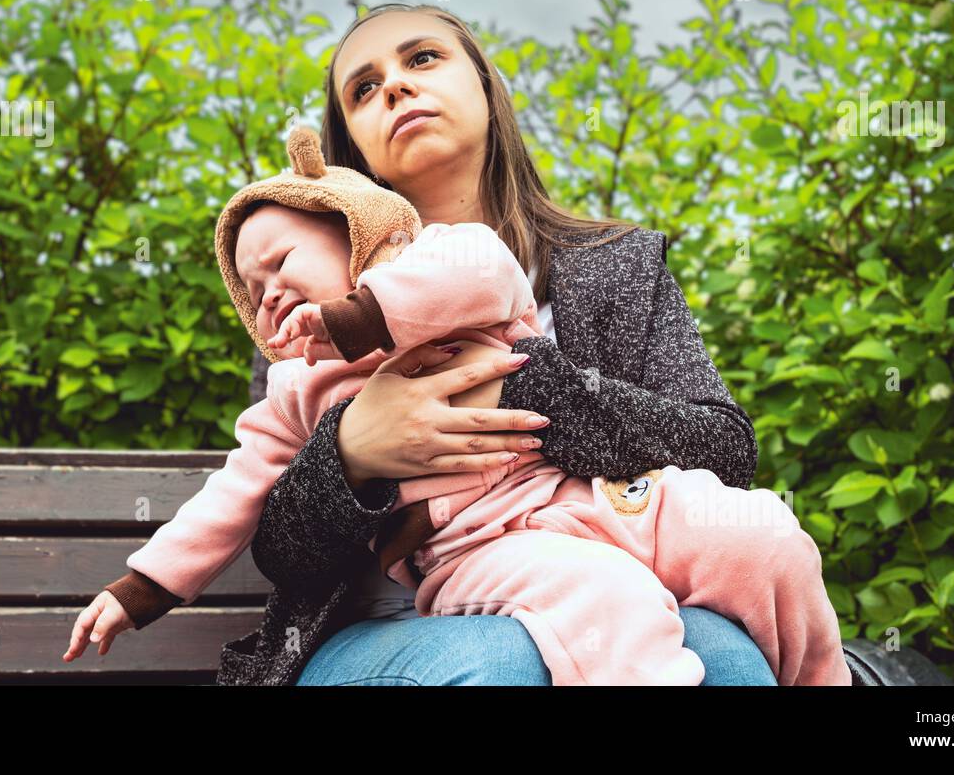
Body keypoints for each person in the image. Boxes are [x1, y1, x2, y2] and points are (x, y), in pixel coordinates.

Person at [62, 128, 849, 685]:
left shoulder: (457, 259)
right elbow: (240, 503)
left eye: (279, 263)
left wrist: (372, 321)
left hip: (589, 501)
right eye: (253, 293)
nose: (269, 295)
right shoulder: (296, 382)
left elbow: (477, 271)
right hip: (478, 551)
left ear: (353, 225)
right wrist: (147, 587)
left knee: (761, 534)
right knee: (613, 606)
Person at [230, 3, 783, 684]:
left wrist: (521, 389)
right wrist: (352, 454)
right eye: (363, 88)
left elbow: (726, 453)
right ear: (352, 145)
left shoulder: (618, 264)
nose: (395, 86)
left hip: (613, 593)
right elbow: (279, 549)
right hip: (381, 631)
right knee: (503, 658)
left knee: (725, 656)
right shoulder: (308, 299)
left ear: (488, 89)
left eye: (422, 58)